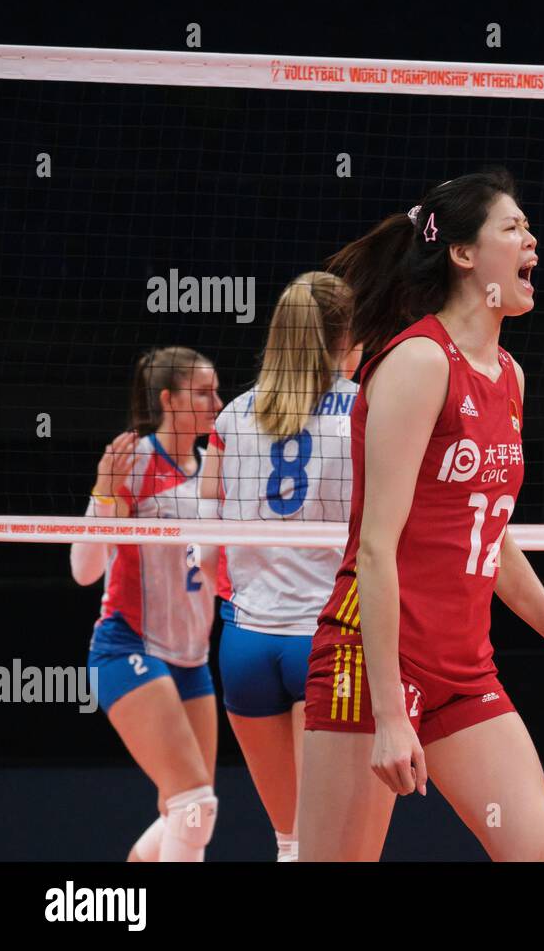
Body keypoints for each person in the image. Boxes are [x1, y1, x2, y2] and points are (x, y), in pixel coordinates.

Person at [297, 168, 544, 862]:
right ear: (464, 255)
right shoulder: (418, 361)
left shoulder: (508, 375)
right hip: (370, 661)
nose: (532, 239)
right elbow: (376, 549)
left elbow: (490, 541)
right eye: (514, 227)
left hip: (463, 671)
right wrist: (387, 712)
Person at [199, 272, 362, 861]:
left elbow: (204, 533)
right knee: (328, 847)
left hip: (244, 642)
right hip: (327, 641)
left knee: (290, 843)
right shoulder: (362, 414)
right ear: (348, 337)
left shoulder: (232, 417)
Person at [70, 346, 222, 861]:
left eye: (218, 391)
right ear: (168, 400)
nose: (217, 403)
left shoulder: (215, 469)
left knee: (186, 813)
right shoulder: (133, 461)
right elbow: (83, 570)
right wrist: (105, 494)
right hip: (127, 646)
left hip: (192, 660)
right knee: (195, 805)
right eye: (203, 392)